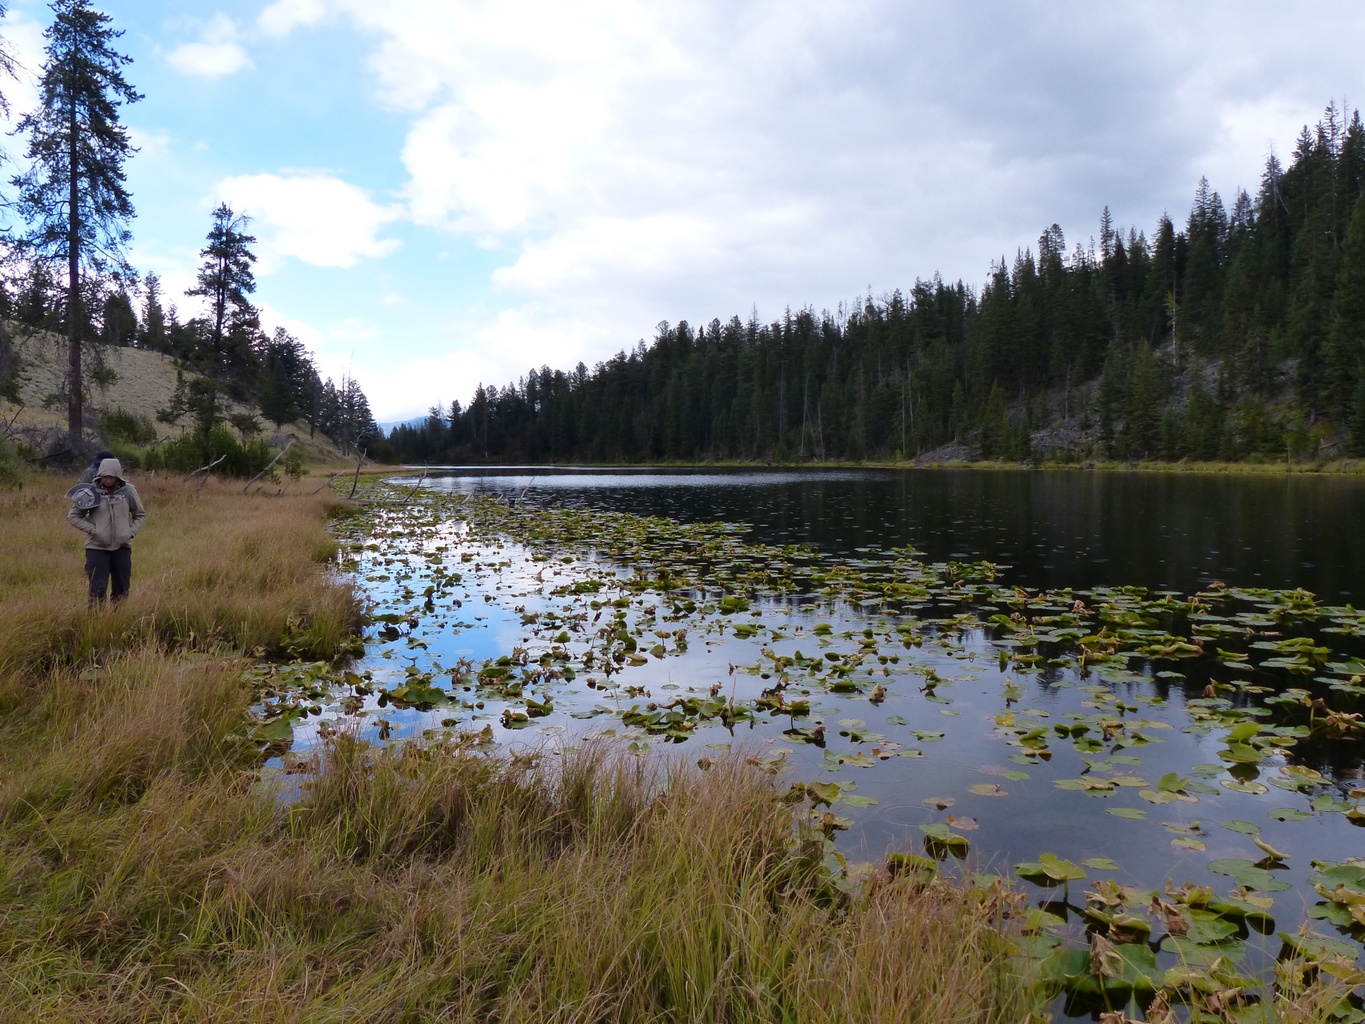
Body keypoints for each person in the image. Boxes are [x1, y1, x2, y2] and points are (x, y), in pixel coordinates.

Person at [67, 457, 147, 604]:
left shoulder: (128, 491)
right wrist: (93, 530)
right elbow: (73, 516)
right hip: (96, 548)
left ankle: (118, 616)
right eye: (105, 477)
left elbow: (140, 515)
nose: (108, 480)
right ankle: (97, 617)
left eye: (111, 477)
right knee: (97, 589)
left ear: (117, 477)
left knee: (122, 589)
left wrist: (129, 533)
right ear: (100, 475)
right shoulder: (90, 491)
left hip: (122, 547)